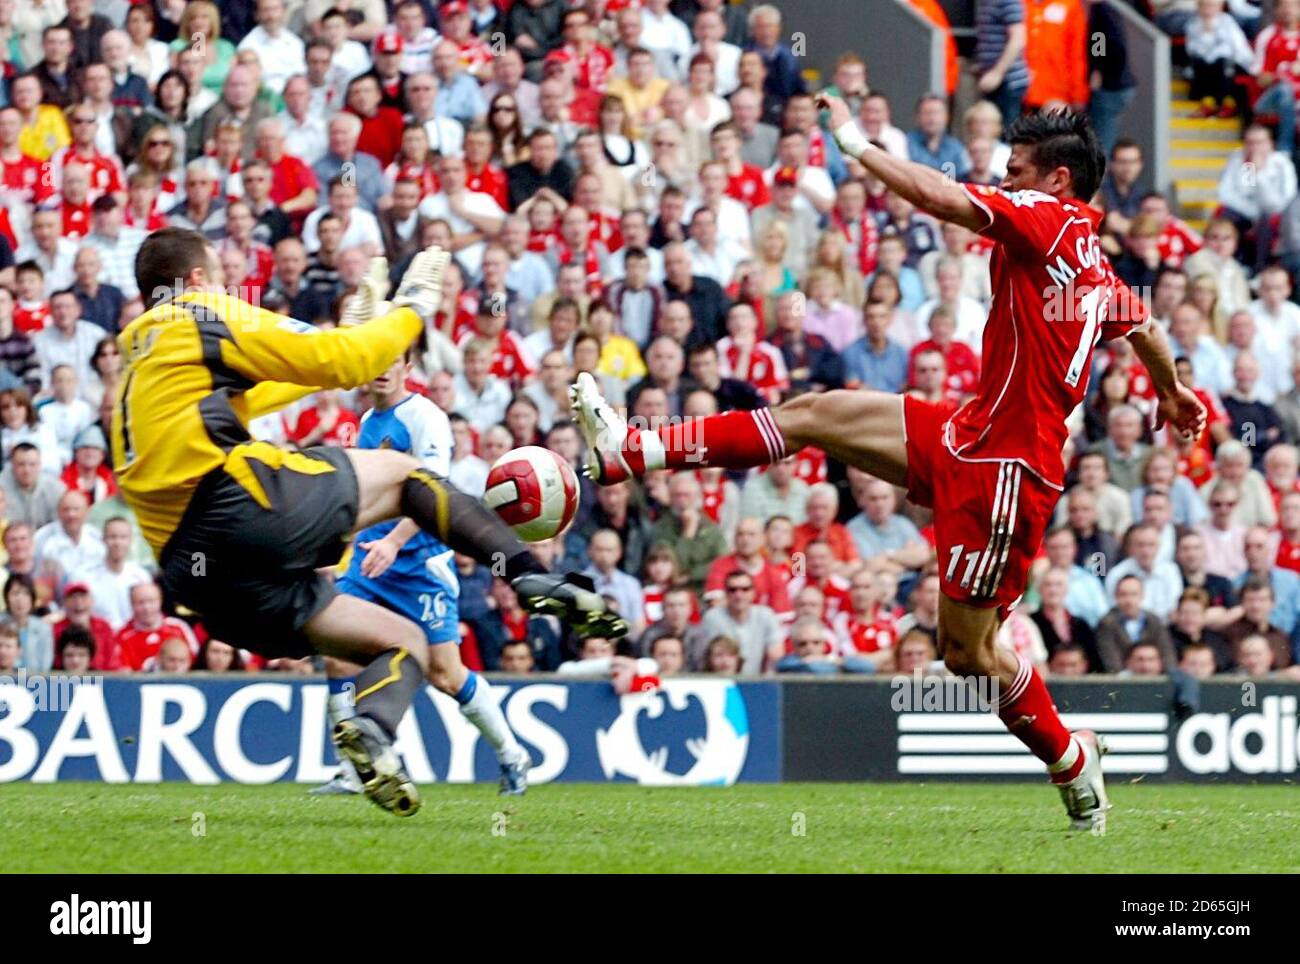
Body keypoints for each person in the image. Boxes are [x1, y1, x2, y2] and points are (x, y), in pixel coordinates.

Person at [572, 98, 1206, 833]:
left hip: (1005, 471)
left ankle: (1069, 759)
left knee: (968, 656)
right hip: (968, 432)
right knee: (817, 413)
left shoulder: (1049, 219)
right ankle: (631, 449)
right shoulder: (1089, 259)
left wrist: (855, 144)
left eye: (1017, 172)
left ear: (1058, 180)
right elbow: (1147, 325)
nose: (1004, 182)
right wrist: (1171, 387)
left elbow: (940, 196)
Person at [113, 228, 623, 816]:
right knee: (407, 477)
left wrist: (350, 340)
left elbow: (284, 382)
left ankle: (374, 736)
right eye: (220, 275)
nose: (229, 286)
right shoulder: (199, 313)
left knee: (404, 643)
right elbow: (344, 360)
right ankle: (529, 573)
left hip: (196, 576)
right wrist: (409, 313)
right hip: (239, 506)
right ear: (196, 281)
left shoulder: (141, 355)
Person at [315, 344, 535, 798]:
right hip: (371, 558)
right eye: (374, 360)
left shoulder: (425, 418)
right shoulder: (365, 424)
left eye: (391, 360)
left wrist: (395, 542)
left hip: (419, 564)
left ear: (407, 368)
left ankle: (513, 753)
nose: (381, 369)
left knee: (446, 674)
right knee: (335, 653)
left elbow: (434, 493)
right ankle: (351, 770)